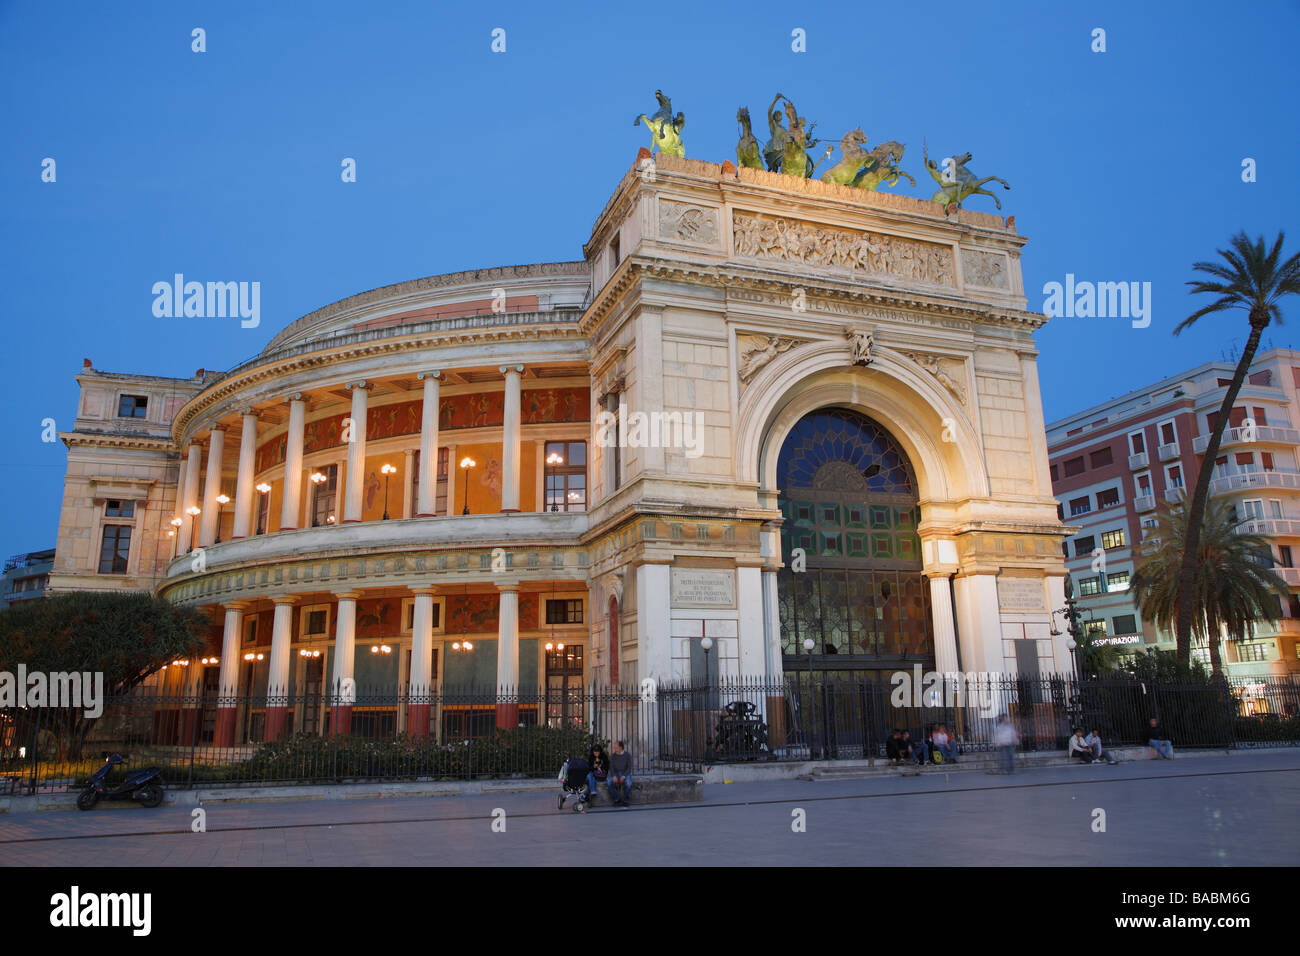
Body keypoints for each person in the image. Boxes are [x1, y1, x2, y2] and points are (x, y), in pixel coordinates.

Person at [609, 740, 632, 807]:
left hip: (625, 773)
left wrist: (624, 776)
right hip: (616, 774)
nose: (614, 749)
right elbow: (611, 767)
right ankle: (617, 799)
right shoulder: (613, 756)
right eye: (614, 748)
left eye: (616, 748)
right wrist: (613, 776)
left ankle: (625, 800)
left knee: (628, 784)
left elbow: (629, 767)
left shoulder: (627, 755)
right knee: (609, 783)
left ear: (621, 748)